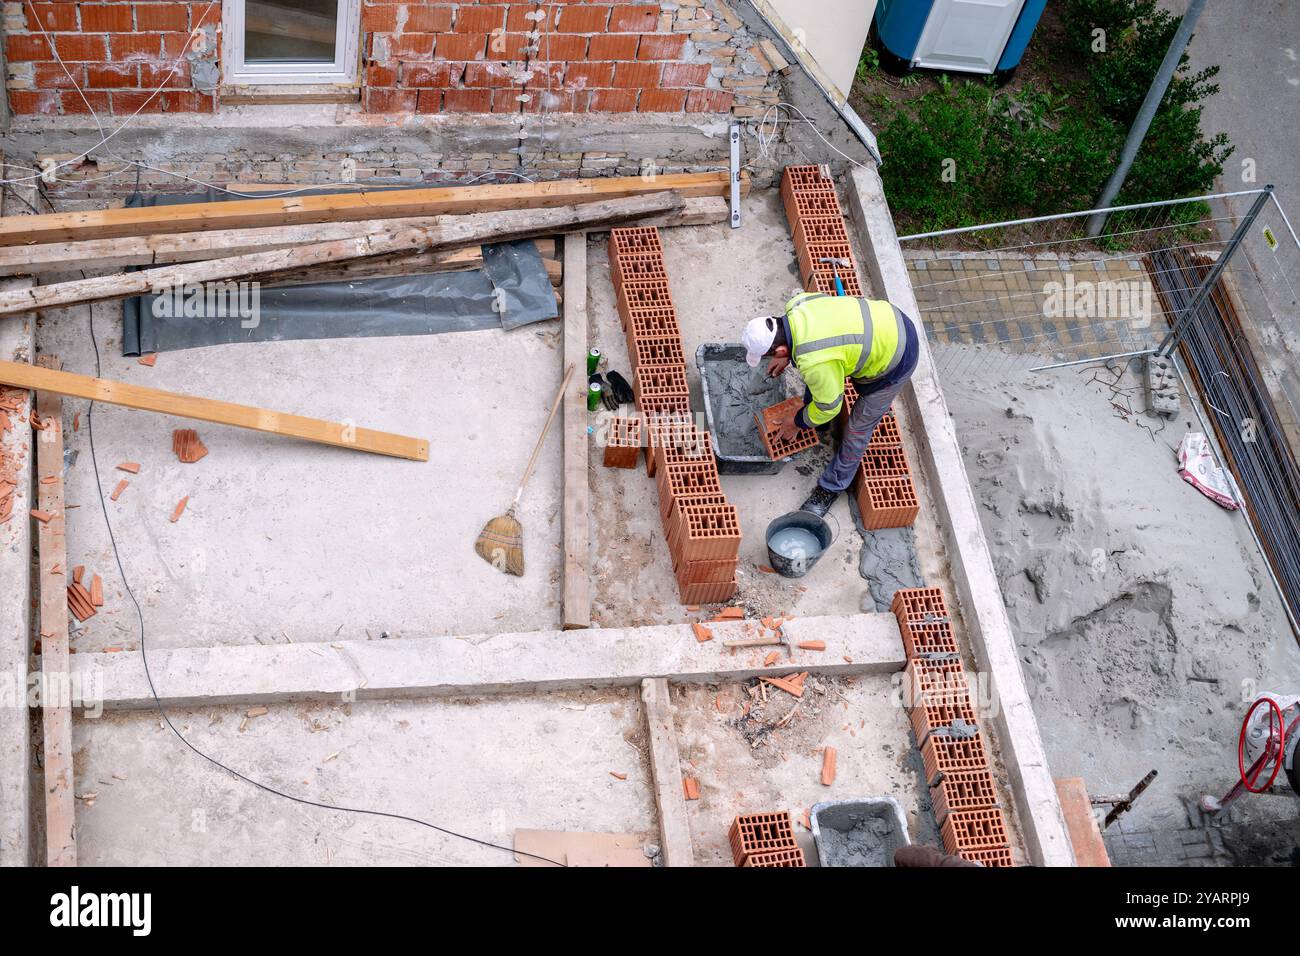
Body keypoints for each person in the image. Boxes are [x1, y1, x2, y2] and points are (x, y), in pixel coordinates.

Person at [742, 290, 920, 517]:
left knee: (857, 428)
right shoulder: (797, 304)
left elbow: (829, 406)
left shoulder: (814, 362)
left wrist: (797, 421)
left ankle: (831, 487)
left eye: (771, 355)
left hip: (899, 355)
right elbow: (814, 342)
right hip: (890, 318)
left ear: (780, 349)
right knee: (818, 375)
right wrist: (787, 357)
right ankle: (817, 423)